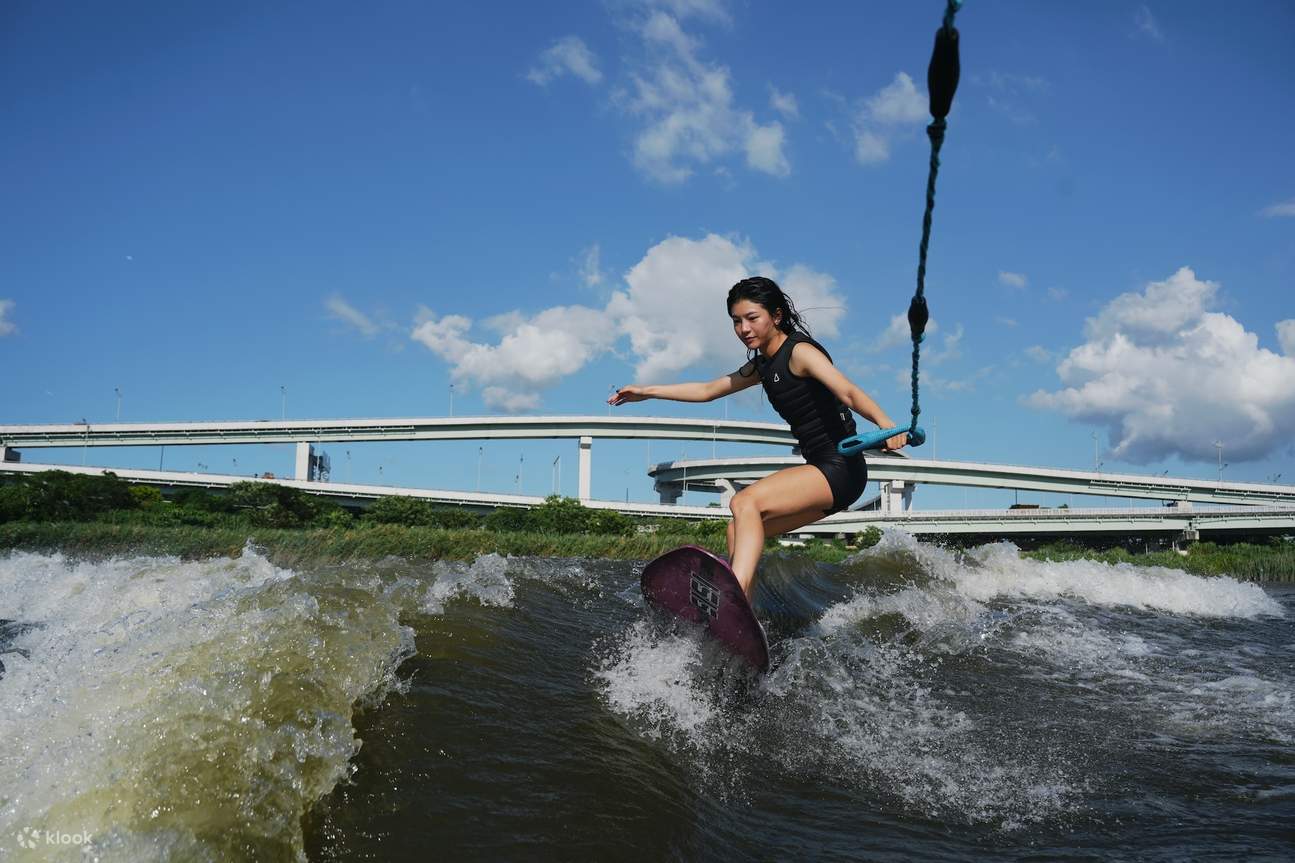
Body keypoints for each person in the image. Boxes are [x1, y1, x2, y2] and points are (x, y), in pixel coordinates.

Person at [608, 276, 908, 600]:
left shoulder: (800, 352)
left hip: (839, 468)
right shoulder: (762, 366)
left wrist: (886, 424)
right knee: (737, 528)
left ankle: (734, 595)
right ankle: (744, 616)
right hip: (827, 473)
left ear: (776, 316)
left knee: (744, 501)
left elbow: (847, 390)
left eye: (752, 318)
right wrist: (646, 392)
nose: (744, 328)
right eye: (736, 321)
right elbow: (708, 390)